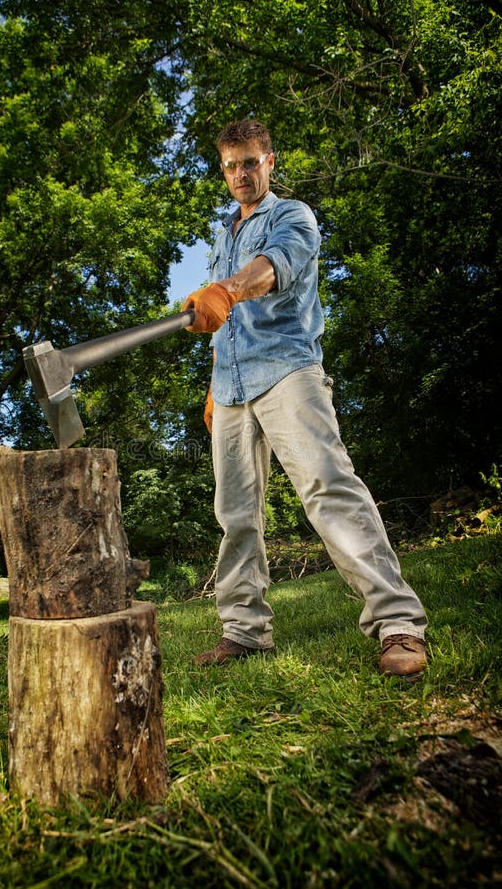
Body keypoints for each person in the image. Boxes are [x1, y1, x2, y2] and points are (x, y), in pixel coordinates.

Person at [181, 119, 428, 680]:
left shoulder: (291, 216)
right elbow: (225, 322)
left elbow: (273, 270)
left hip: (288, 370)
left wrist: (227, 289)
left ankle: (398, 623)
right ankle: (244, 631)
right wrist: (214, 385)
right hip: (232, 387)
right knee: (235, 515)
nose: (240, 174)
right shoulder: (223, 236)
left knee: (327, 487)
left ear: (269, 162)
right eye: (230, 166)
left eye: (250, 162)